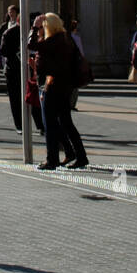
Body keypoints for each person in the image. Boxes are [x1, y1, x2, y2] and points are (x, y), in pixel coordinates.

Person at [35, 13, 89, 169]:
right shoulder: (66, 39)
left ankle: (52, 159)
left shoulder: (52, 41)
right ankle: (80, 156)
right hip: (65, 86)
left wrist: (34, 28)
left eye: (42, 27)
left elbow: (31, 46)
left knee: (49, 124)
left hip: (52, 85)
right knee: (66, 122)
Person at [0, 13, 23, 131]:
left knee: (15, 99)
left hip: (12, 69)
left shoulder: (8, 33)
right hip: (22, 69)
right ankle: (39, 124)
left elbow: (3, 51)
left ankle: (19, 124)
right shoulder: (30, 32)